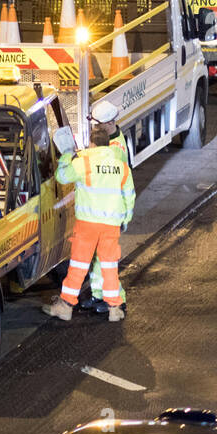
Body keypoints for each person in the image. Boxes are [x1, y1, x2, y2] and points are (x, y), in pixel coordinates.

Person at [44, 121, 135, 323]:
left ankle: (66, 307)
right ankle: (115, 309)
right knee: (109, 267)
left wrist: (66, 156)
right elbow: (129, 195)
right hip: (111, 224)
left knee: (78, 266)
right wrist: (125, 219)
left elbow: (62, 177)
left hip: (87, 225)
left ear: (92, 144)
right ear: (108, 144)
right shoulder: (121, 167)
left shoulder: (84, 163)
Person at [79, 101, 130, 315]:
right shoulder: (110, 142)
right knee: (99, 259)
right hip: (102, 213)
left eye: (97, 124)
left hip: (108, 214)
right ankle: (98, 295)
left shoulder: (114, 150)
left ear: (109, 123)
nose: (94, 128)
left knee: (106, 260)